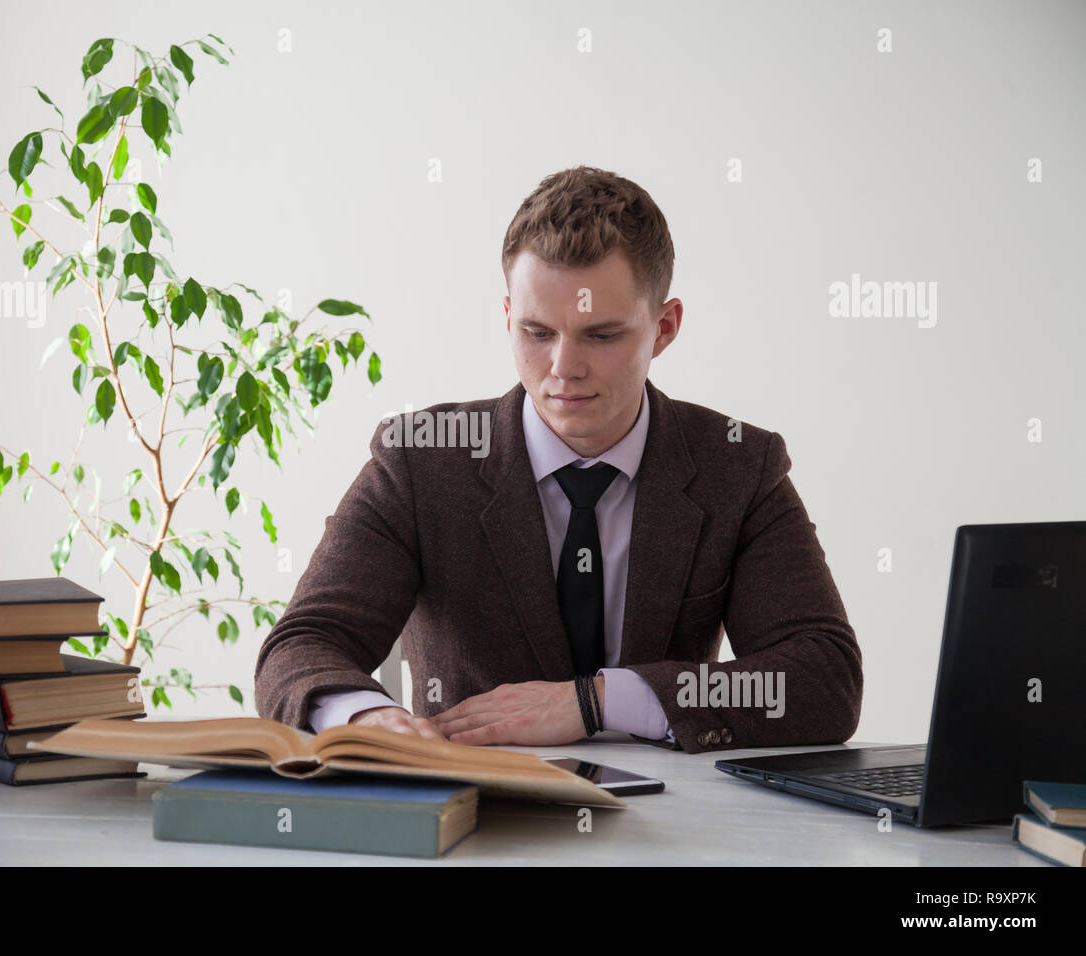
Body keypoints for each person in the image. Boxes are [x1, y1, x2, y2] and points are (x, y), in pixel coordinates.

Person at [254, 166, 862, 753]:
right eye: (537, 332)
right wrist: (368, 715)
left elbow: (824, 679)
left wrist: (598, 700)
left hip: (676, 829)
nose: (563, 369)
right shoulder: (420, 461)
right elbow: (301, 648)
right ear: (507, 318)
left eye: (601, 335)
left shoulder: (739, 467)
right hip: (476, 820)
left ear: (665, 327)